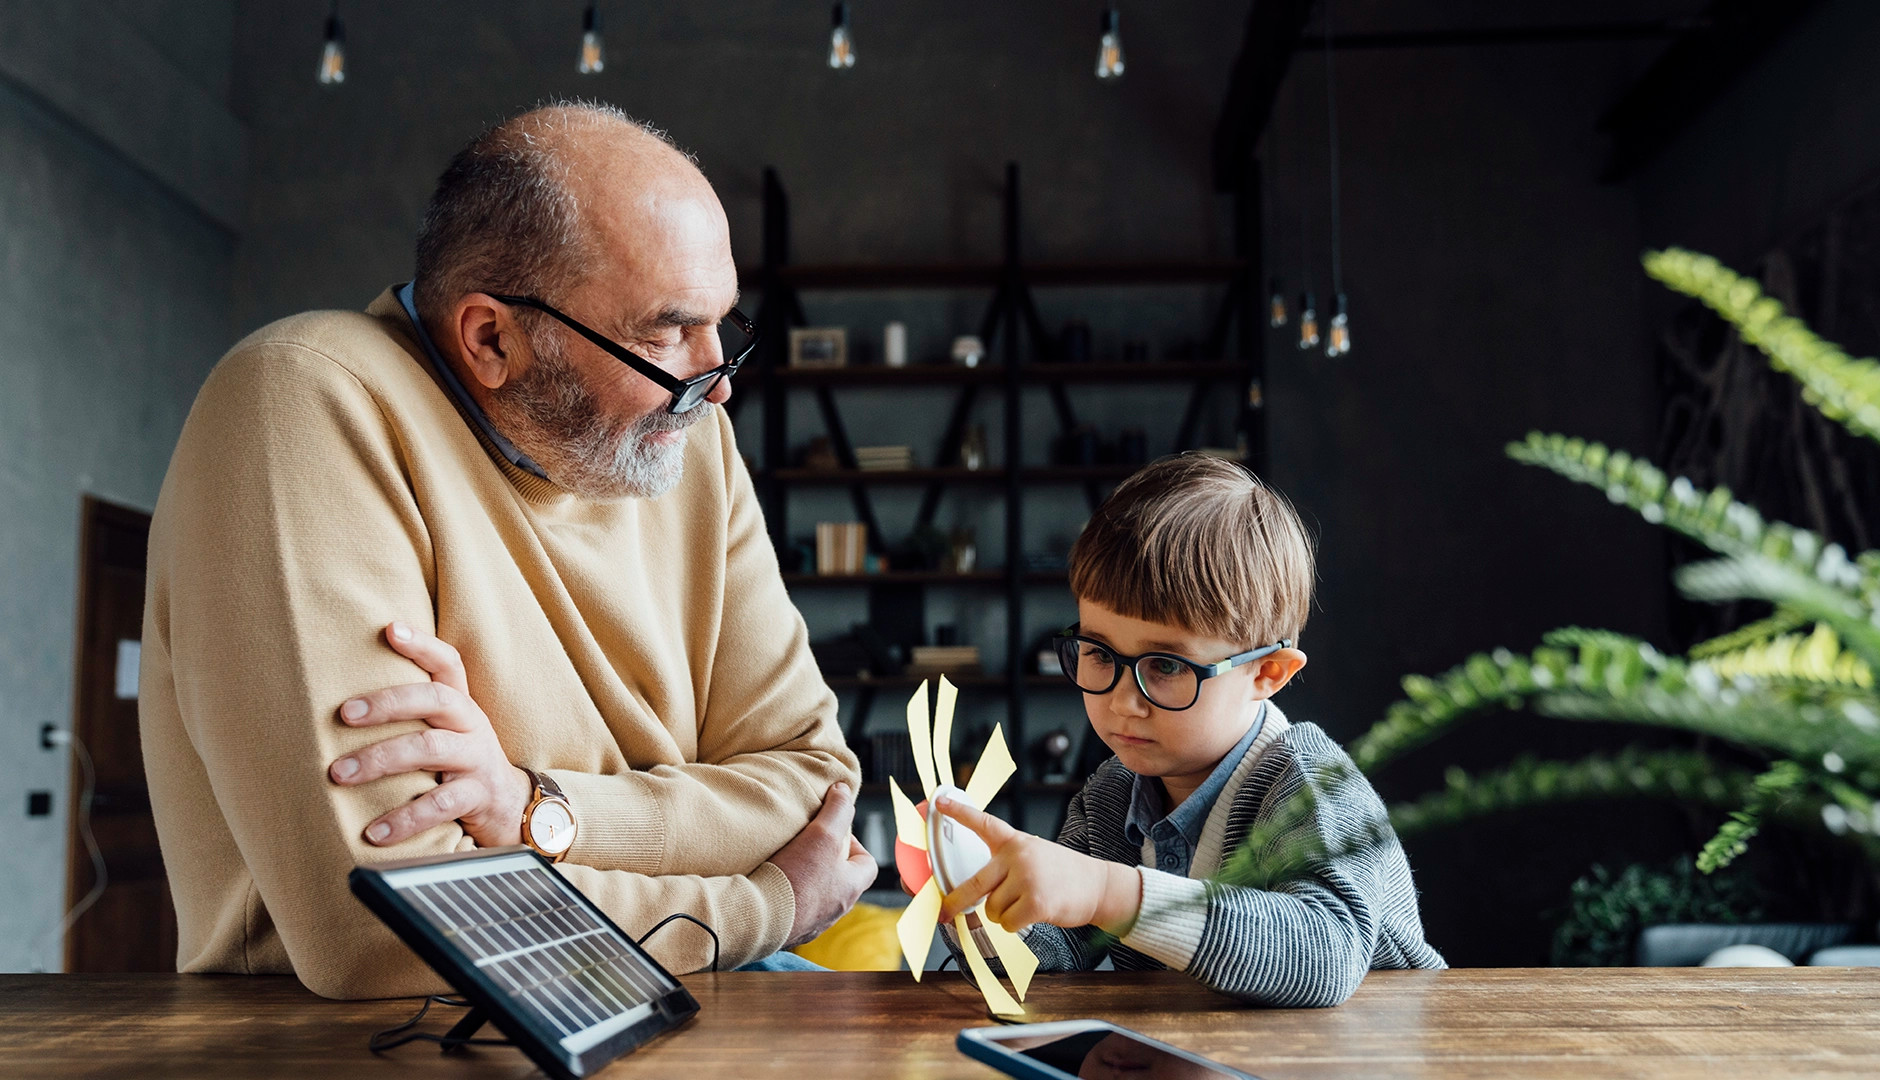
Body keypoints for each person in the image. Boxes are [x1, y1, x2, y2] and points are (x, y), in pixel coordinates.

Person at [139, 101, 874, 999]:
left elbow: (814, 786)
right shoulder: (306, 398)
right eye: (667, 331)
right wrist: (766, 905)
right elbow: (392, 932)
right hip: (387, 1044)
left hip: (690, 1009)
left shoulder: (686, 446)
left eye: (723, 323)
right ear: (492, 338)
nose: (715, 385)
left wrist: (533, 808)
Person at [935, 453, 1443, 1007]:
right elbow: (1059, 951)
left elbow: (1326, 955)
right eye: (1099, 653)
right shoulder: (1110, 797)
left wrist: (1105, 890)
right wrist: (976, 899)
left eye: (1168, 666)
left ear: (1267, 673)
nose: (1125, 702)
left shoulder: (1309, 786)